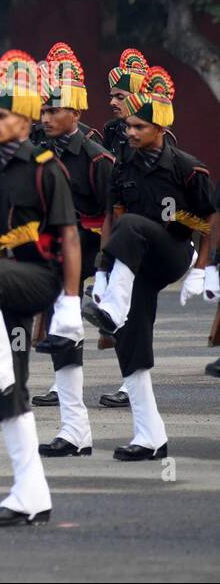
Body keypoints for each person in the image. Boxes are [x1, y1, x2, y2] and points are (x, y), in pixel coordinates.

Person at [0, 53, 79, 526]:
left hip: (42, 280)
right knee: (13, 392)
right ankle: (30, 493)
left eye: (2, 115)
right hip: (7, 286)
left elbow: (68, 238)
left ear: (25, 122)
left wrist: (67, 304)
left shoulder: (47, 169)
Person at [83, 65, 215, 461]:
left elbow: (210, 218)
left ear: (159, 128)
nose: (131, 132)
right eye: (130, 126)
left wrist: (202, 267)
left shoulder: (186, 167)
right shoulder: (122, 167)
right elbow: (110, 219)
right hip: (134, 260)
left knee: (136, 225)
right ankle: (150, 436)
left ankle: (112, 307)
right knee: (130, 340)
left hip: (173, 252)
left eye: (140, 126)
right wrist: (103, 272)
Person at [31, 44, 112, 459]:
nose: (45, 119)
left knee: (96, 338)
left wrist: (105, 270)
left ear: (76, 114)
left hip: (93, 254)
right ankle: (74, 429)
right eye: (42, 112)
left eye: (54, 112)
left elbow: (113, 216)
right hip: (57, 253)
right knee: (63, 340)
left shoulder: (97, 160)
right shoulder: (41, 154)